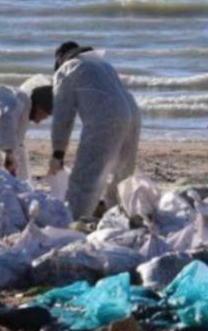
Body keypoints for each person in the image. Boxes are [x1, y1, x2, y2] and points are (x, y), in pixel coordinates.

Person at [48, 41, 141, 219]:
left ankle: (74, 220)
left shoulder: (68, 68)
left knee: (86, 177)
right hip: (133, 116)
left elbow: (63, 115)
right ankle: (117, 216)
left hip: (107, 117)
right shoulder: (102, 64)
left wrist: (58, 153)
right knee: (121, 175)